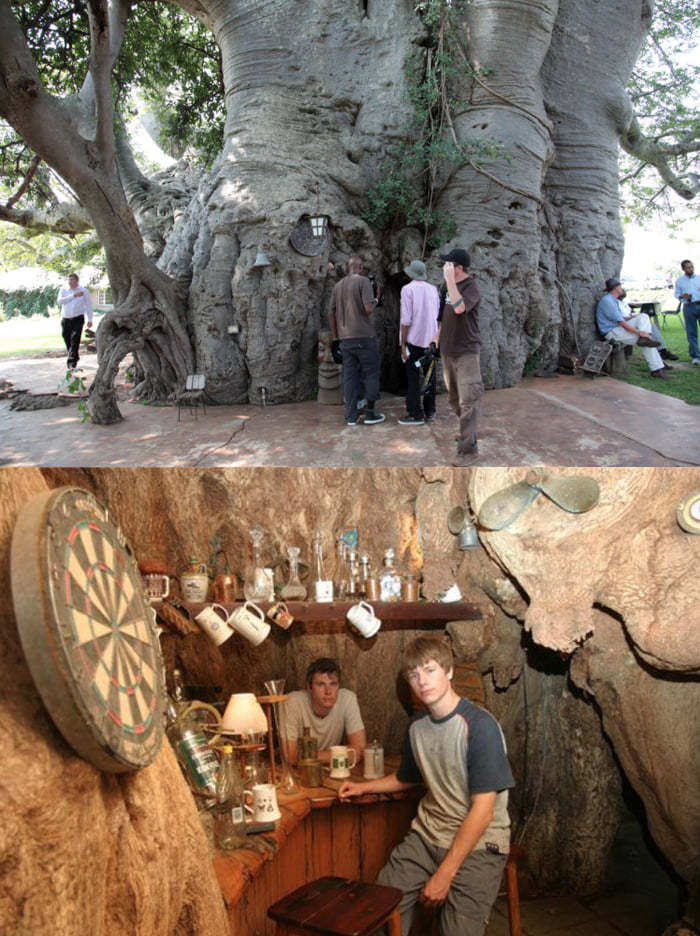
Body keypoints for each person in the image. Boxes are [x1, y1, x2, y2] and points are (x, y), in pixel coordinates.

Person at [339, 637, 514, 936]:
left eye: (430, 670)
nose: (422, 681)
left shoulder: (479, 726)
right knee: (379, 912)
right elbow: (406, 778)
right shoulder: (417, 726)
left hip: (480, 843)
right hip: (427, 835)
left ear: (449, 672)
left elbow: (483, 812)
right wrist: (363, 787)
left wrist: (445, 874)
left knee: (457, 932)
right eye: (414, 675)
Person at [437, 248, 483, 467]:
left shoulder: (472, 287)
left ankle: (468, 449)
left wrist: (450, 281)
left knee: (468, 400)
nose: (444, 268)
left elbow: (459, 308)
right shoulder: (445, 286)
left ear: (459, 268)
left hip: (466, 351)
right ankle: (468, 432)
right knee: (454, 399)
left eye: (449, 264)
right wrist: (437, 336)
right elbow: (442, 316)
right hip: (448, 350)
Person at [328, 255, 385, 426]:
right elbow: (368, 309)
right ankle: (370, 413)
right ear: (360, 268)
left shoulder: (338, 286)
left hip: (345, 339)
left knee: (350, 376)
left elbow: (331, 313)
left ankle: (351, 415)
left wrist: (336, 337)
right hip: (364, 336)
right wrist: (377, 297)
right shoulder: (363, 281)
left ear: (348, 268)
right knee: (371, 373)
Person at [280, 657, 366, 765]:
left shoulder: (347, 698)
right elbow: (290, 756)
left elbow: (360, 750)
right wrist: (336, 755)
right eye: (321, 684)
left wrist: (311, 756)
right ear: (309, 687)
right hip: (301, 771)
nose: (328, 691)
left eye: (333, 684)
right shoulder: (291, 702)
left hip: (333, 769)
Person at [595, 278, 671, 379]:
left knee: (643, 316)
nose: (621, 288)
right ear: (616, 288)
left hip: (618, 329)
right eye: (620, 286)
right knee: (646, 341)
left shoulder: (613, 300)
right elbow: (621, 322)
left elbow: (621, 319)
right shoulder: (607, 301)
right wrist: (639, 332)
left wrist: (632, 318)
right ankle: (656, 369)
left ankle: (655, 364)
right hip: (612, 332)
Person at [398, 259, 440, 425]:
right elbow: (438, 314)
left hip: (414, 340)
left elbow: (406, 319)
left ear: (410, 274)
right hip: (432, 340)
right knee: (430, 377)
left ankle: (415, 413)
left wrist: (402, 344)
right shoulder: (433, 289)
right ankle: (430, 410)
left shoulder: (407, 290)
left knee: (413, 377)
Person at [618, 289, 678, 367]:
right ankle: (660, 358)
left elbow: (630, 312)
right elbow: (619, 319)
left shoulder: (623, 303)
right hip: (625, 326)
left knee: (651, 329)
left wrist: (633, 315)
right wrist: (630, 317)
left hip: (633, 322)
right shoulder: (615, 304)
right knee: (647, 337)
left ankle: (662, 352)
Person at [57, 273, 93, 371]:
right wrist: (73, 296)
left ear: (77, 281)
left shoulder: (84, 291)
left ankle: (71, 363)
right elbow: (60, 301)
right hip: (66, 319)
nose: (70, 282)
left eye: (72, 280)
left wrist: (90, 319)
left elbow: (88, 306)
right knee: (66, 337)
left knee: (75, 340)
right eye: (69, 280)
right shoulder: (63, 290)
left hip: (78, 318)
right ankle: (74, 356)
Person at [674, 259, 700, 365]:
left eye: (692, 267)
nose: (690, 269)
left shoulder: (699, 278)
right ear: (683, 269)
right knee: (691, 332)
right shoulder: (679, 281)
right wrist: (682, 296)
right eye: (688, 268)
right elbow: (676, 294)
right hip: (689, 307)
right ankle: (695, 356)